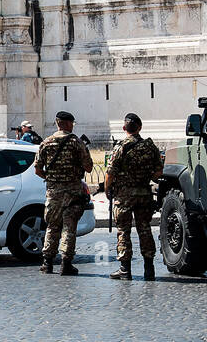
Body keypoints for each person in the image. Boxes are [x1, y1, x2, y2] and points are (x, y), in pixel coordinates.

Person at [33, 110, 93, 275]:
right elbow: (88, 167)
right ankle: (66, 263)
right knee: (69, 227)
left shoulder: (46, 143)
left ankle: (47, 263)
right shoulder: (76, 142)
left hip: (53, 192)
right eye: (72, 123)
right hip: (73, 191)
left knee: (52, 226)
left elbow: (37, 170)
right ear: (68, 123)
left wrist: (51, 179)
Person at [105, 112, 161, 281]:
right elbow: (158, 173)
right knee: (145, 229)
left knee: (123, 231)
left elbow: (109, 173)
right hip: (144, 195)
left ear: (124, 128)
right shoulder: (150, 147)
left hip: (124, 196)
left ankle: (125, 270)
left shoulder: (120, 147)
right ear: (140, 128)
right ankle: (149, 269)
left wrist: (108, 191)